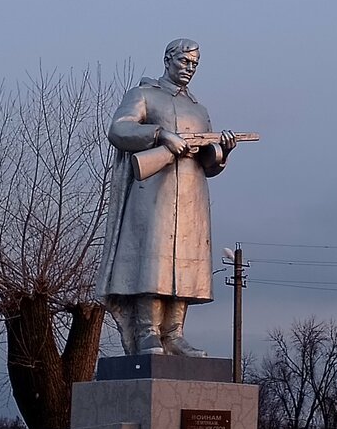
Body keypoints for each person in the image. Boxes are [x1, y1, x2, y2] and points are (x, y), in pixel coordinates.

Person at [96, 39, 237, 356]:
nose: (190, 68)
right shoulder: (144, 95)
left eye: (195, 64)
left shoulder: (199, 109)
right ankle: (147, 332)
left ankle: (174, 334)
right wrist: (160, 135)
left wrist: (222, 152)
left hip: (191, 197)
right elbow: (118, 129)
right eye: (185, 61)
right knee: (153, 261)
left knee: (186, 265)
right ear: (168, 59)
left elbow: (208, 164)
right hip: (153, 194)